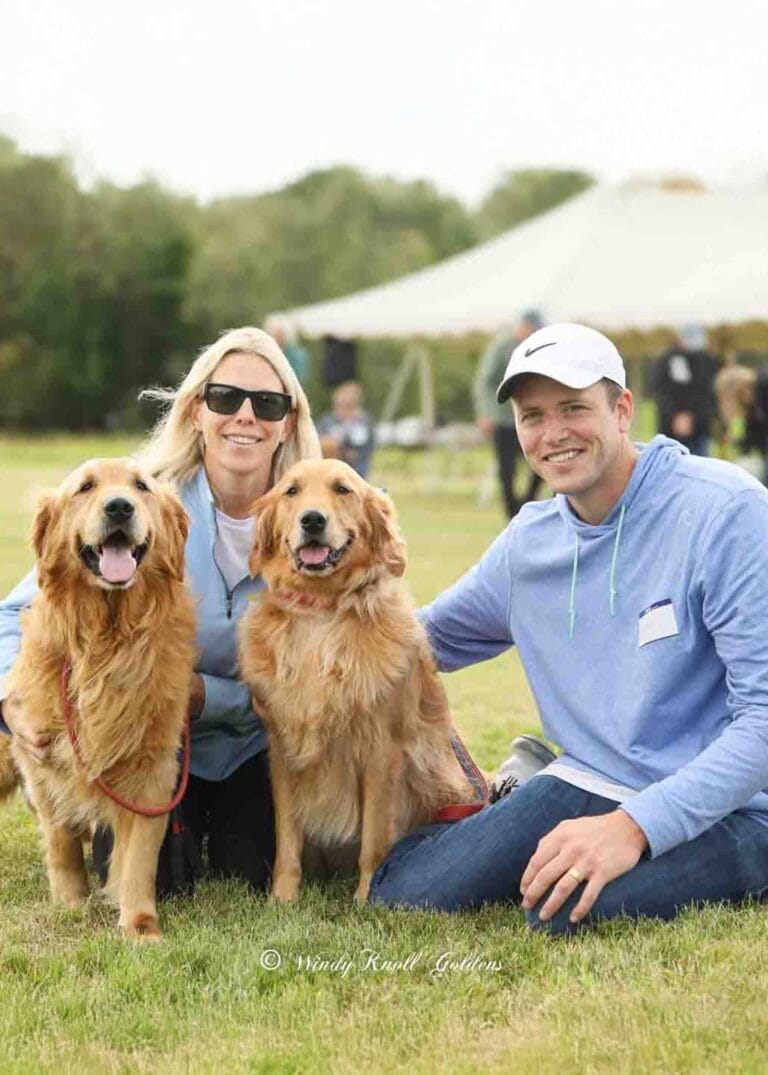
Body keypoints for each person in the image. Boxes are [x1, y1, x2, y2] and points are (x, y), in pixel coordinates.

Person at [369, 322, 768, 935]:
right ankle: (517, 793)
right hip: (588, 778)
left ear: (622, 409)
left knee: (565, 913)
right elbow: (419, 644)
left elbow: (763, 723)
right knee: (402, 894)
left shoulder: (726, 512)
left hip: (735, 805)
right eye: (533, 416)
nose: (553, 434)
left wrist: (635, 828)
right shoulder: (529, 543)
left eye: (574, 408)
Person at [0, 326, 321, 895]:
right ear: (197, 411)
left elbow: (319, 679)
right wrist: (9, 701)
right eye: (225, 398)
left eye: (267, 404)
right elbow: (14, 615)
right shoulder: (144, 504)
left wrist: (204, 695)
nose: (245, 416)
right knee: (162, 882)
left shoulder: (314, 527)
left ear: (288, 423)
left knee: (251, 871)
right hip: (152, 749)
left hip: (254, 746)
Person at [473, 310, 545, 517]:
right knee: (507, 468)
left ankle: (527, 502)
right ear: (523, 326)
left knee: (541, 460)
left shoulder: (538, 346)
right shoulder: (502, 346)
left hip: (529, 415)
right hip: (501, 416)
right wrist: (485, 414)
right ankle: (511, 511)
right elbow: (484, 381)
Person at [652, 324, 719, 456]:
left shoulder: (707, 360)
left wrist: (692, 417)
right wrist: (675, 415)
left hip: (700, 428)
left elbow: (707, 393)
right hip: (670, 430)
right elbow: (661, 391)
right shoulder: (666, 360)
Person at [316, 380, 375, 477]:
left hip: (356, 469)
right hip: (331, 466)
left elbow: (365, 449)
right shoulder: (328, 421)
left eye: (348, 406)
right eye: (339, 406)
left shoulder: (363, 423)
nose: (343, 411)